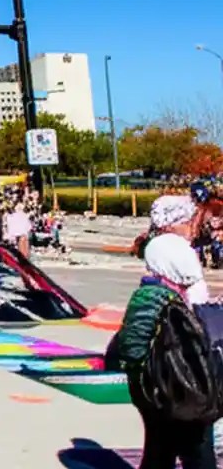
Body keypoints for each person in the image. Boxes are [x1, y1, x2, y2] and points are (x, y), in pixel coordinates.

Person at [109, 196, 216, 469]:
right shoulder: (163, 297)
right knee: (194, 453)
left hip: (161, 392)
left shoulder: (153, 293)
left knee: (160, 451)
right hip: (179, 392)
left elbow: (126, 348)